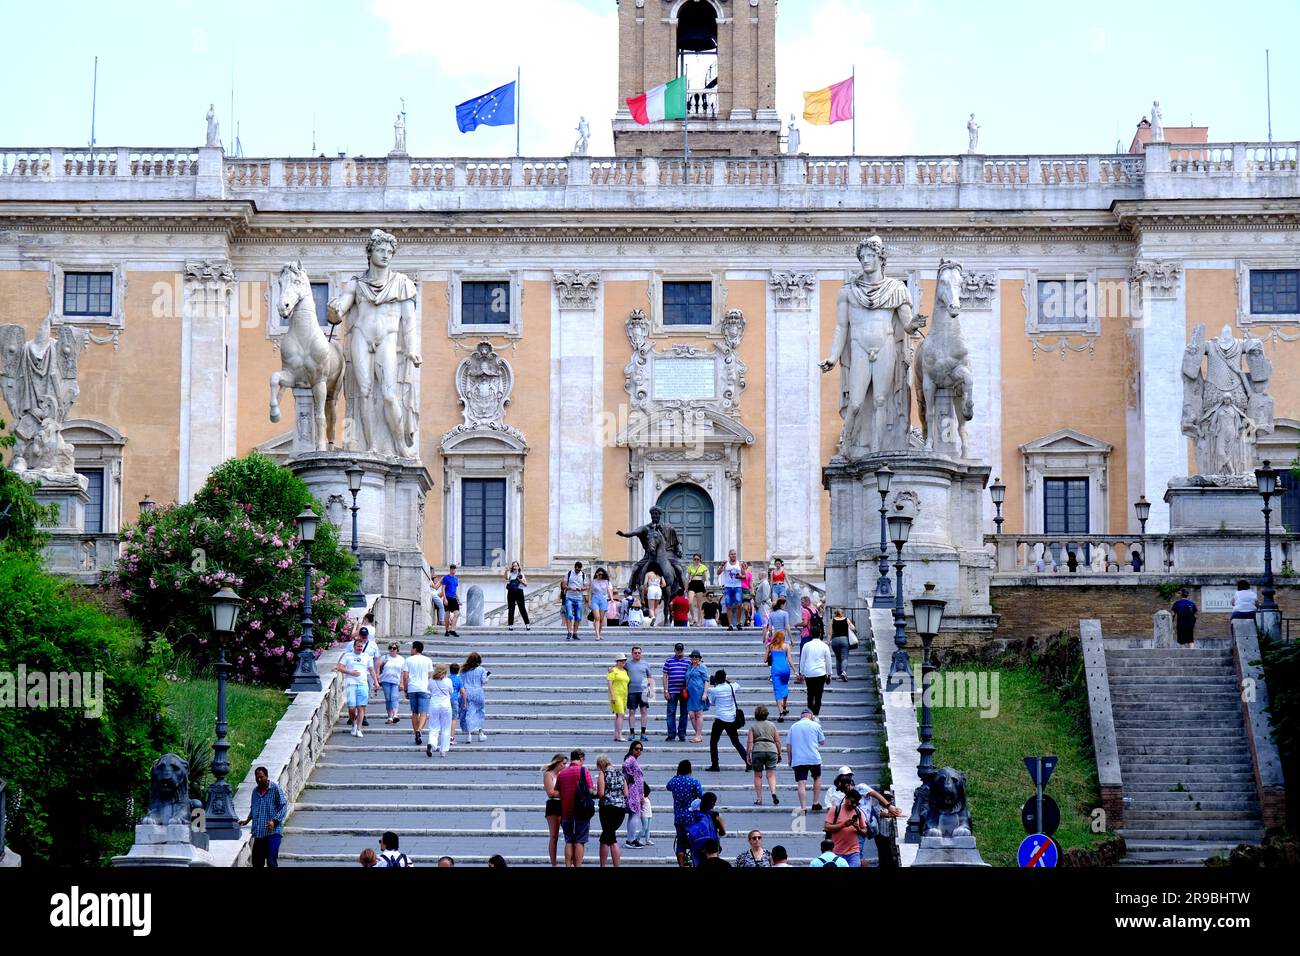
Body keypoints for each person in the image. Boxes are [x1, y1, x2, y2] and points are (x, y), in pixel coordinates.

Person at [240, 766, 287, 867]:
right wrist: (247, 820)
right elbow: (254, 809)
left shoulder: (275, 789)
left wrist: (274, 821)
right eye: (257, 777)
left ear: (267, 776)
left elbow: (283, 806)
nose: (259, 779)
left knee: (271, 861)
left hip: (273, 833)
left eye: (261, 777)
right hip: (259, 833)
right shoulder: (255, 792)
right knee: (257, 862)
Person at [556, 749, 596, 867]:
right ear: (581, 758)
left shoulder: (562, 773)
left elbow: (557, 790)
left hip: (566, 811)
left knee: (569, 840)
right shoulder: (584, 771)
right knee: (580, 840)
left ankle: (568, 865)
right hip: (581, 812)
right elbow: (590, 790)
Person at [705, 669, 749, 772]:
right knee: (736, 742)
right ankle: (748, 761)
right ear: (725, 678)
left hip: (720, 718)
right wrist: (728, 681)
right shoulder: (731, 686)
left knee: (714, 742)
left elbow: (712, 702)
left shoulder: (715, 690)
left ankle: (715, 765)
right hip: (731, 719)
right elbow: (738, 685)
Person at [666, 759, 704, 867]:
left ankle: (681, 864)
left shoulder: (674, 781)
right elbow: (701, 796)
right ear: (690, 769)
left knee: (681, 841)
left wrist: (676, 776)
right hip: (691, 816)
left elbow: (668, 786)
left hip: (678, 816)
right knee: (694, 840)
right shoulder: (694, 782)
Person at [787, 708, 826, 812]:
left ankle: (803, 807)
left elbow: (789, 745)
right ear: (811, 716)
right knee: (817, 778)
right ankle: (815, 803)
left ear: (801, 716)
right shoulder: (816, 725)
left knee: (801, 783)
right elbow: (822, 742)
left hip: (798, 759)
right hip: (814, 758)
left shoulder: (793, 727)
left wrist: (790, 759)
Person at [824, 787, 870, 867]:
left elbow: (865, 831)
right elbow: (827, 827)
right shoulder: (835, 810)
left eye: (856, 803)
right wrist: (843, 825)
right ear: (846, 798)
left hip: (854, 852)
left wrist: (858, 828)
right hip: (837, 852)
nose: (854, 805)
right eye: (852, 802)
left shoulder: (858, 812)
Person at [335, 635, 371, 738]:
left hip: (363, 683)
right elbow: (339, 667)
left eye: (361, 647)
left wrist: (376, 681)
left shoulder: (366, 657)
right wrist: (350, 672)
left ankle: (359, 729)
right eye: (358, 646)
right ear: (354, 647)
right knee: (351, 708)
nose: (360, 648)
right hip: (351, 684)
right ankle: (353, 723)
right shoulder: (347, 656)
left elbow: (371, 669)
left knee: (361, 708)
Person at [595, 754, 627, 867]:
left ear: (601, 765)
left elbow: (600, 793)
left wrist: (591, 794)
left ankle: (603, 865)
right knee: (610, 835)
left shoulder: (602, 774)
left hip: (607, 808)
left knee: (607, 838)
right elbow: (626, 793)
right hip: (620, 809)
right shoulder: (621, 773)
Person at [746, 704, 782, 805]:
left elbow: (750, 742)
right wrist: (779, 753)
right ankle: (773, 792)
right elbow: (778, 741)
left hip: (758, 750)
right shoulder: (772, 725)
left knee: (758, 775)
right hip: (771, 749)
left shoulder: (753, 726)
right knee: (771, 775)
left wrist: (747, 754)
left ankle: (759, 798)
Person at [400, 640, 433, 747]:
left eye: (411, 648)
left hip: (412, 688)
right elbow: (430, 675)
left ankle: (416, 733)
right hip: (424, 688)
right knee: (424, 712)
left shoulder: (408, 660)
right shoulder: (428, 660)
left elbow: (405, 676)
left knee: (414, 712)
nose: (410, 650)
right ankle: (419, 730)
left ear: (415, 648)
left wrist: (405, 688)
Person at [799, 626, 835, 716]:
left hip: (809, 673)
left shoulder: (806, 646)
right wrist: (829, 674)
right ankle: (816, 715)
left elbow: (802, 660)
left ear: (811, 634)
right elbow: (828, 661)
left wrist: (801, 673)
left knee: (810, 695)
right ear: (820, 634)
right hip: (820, 673)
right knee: (818, 696)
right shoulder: (824, 646)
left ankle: (810, 715)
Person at [686, 792, 727, 867]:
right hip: (711, 845)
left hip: (697, 845)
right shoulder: (715, 815)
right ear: (713, 803)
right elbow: (723, 832)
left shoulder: (695, 814)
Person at [542, 753, 568, 867]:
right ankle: (554, 863)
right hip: (553, 806)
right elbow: (551, 793)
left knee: (569, 834)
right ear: (557, 763)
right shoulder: (548, 774)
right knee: (554, 836)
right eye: (563, 763)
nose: (565, 766)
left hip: (564, 804)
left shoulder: (563, 774)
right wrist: (566, 792)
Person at [623, 645, 653, 741]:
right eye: (635, 653)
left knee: (644, 711)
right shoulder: (627, 664)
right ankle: (632, 733)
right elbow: (618, 668)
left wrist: (651, 689)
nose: (637, 654)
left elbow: (650, 677)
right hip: (631, 691)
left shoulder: (646, 664)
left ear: (641, 654)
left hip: (643, 691)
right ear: (632, 654)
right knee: (632, 712)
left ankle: (643, 733)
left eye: (639, 653)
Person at [662, 642, 690, 741]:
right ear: (674, 650)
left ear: (683, 650)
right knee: (671, 713)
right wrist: (666, 690)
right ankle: (671, 734)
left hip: (684, 690)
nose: (679, 652)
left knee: (684, 713)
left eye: (681, 650)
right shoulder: (669, 661)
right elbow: (665, 676)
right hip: (672, 690)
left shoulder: (688, 661)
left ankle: (682, 734)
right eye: (677, 650)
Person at [459, 651, 489, 741]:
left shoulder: (464, 670)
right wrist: (488, 677)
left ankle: (469, 734)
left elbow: (461, 682)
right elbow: (484, 681)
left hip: (467, 692)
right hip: (478, 692)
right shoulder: (482, 670)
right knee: (480, 712)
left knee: (468, 712)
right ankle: (480, 733)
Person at [622, 740, 647, 847]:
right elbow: (625, 766)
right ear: (632, 749)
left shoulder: (633, 760)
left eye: (640, 749)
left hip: (636, 791)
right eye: (636, 749)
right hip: (633, 791)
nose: (638, 751)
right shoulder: (631, 759)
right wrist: (630, 775)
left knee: (633, 815)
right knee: (635, 814)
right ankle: (631, 840)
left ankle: (630, 838)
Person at [427, 663, 455, 757]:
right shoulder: (448, 681)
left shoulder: (431, 680)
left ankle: (432, 743)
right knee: (446, 727)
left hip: (434, 704)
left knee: (433, 726)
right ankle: (443, 750)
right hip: (445, 705)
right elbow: (451, 691)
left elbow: (429, 690)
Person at [685, 649, 711, 743]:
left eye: (696, 657)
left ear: (699, 658)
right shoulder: (689, 667)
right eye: (693, 657)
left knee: (699, 714)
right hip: (690, 694)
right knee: (691, 714)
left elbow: (706, 681)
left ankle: (698, 735)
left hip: (699, 693)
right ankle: (698, 734)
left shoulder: (702, 667)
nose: (694, 658)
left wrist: (705, 693)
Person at [767, 630, 792, 720]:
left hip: (776, 670)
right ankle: (784, 706)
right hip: (785, 669)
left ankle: (781, 713)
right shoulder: (786, 646)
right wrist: (795, 670)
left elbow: (765, 659)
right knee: (785, 686)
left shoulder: (771, 646)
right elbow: (789, 659)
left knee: (777, 690)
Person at [378, 641, 405, 724]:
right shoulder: (384, 657)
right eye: (390, 648)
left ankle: (395, 715)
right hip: (385, 680)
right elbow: (378, 668)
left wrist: (402, 683)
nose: (392, 650)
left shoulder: (401, 659)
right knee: (388, 699)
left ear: (397, 649)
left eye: (394, 648)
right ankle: (389, 717)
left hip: (395, 681)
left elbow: (402, 672)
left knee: (394, 697)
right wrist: (383, 663)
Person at [562, 561, 589, 641]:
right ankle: (569, 632)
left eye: (579, 570)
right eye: (576, 569)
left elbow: (587, 586)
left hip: (579, 598)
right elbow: (563, 585)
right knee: (569, 615)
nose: (577, 571)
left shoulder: (583, 575)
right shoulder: (569, 573)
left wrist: (581, 588)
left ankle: (575, 633)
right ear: (575, 567)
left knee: (578, 617)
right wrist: (570, 588)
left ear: (581, 569)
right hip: (569, 597)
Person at [718, 549, 744, 630]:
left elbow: (744, 575)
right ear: (729, 555)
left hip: (737, 587)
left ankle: (739, 623)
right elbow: (718, 573)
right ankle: (730, 624)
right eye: (732, 554)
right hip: (728, 587)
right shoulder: (726, 564)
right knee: (728, 605)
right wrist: (722, 565)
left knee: (739, 604)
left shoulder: (739, 564)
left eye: (735, 554)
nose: (733, 555)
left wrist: (739, 575)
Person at [608, 652, 630, 741]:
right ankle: (619, 734)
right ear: (617, 661)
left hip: (624, 695)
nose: (622, 662)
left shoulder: (625, 671)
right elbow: (609, 684)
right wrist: (613, 696)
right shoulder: (613, 670)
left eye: (624, 661)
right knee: (621, 714)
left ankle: (616, 734)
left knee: (618, 715)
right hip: (616, 695)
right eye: (621, 661)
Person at [504, 560, 530, 630]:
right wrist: (507, 571)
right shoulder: (510, 573)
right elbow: (506, 578)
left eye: (516, 566)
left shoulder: (521, 574)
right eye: (513, 566)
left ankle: (527, 624)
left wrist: (520, 579)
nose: (514, 567)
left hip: (519, 591)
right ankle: (510, 625)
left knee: (522, 608)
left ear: (518, 567)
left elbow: (526, 584)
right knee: (511, 608)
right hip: (511, 592)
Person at [686, 552, 709, 625]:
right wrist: (686, 588)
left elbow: (706, 577)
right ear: (693, 559)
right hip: (692, 583)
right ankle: (692, 618)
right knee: (689, 602)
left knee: (699, 605)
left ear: (700, 560)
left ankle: (699, 621)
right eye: (695, 559)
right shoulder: (690, 567)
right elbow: (687, 578)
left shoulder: (703, 567)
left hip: (699, 583)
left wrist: (706, 583)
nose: (696, 560)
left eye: (698, 559)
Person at [591, 567, 613, 641]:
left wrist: (612, 598)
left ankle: (599, 634)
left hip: (603, 599)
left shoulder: (606, 581)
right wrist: (589, 601)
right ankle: (597, 635)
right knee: (597, 618)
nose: (600, 576)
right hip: (595, 599)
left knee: (601, 619)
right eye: (599, 574)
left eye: (602, 574)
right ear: (596, 574)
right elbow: (590, 591)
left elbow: (609, 590)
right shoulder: (593, 581)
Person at [829, 609, 852, 682]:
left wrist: (828, 642)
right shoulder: (846, 619)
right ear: (842, 613)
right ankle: (844, 672)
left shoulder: (832, 620)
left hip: (835, 640)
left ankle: (839, 675)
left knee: (838, 658)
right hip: (844, 640)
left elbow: (830, 633)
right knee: (844, 657)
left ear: (835, 614)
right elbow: (853, 628)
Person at [439, 564, 461, 637]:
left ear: (455, 570)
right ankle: (446, 631)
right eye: (452, 569)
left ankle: (453, 630)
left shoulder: (456, 579)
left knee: (457, 613)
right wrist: (444, 598)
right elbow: (443, 589)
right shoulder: (446, 577)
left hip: (454, 598)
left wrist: (458, 600)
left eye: (454, 569)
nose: (453, 570)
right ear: (450, 570)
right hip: (447, 598)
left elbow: (455, 590)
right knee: (447, 615)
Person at [449, 662, 464, 743]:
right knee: (453, 719)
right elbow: (463, 692)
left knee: (446, 719)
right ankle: (451, 737)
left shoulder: (447, 678)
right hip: (454, 700)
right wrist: (464, 702)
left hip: (446, 700)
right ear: (458, 671)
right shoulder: (459, 679)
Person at [637, 781, 655, 847]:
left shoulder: (646, 797)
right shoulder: (642, 797)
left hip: (649, 814)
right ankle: (637, 839)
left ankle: (647, 840)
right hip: (644, 814)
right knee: (644, 828)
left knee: (648, 828)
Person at [740, 561, 755, 626]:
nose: (744, 566)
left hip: (746, 591)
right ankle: (740, 621)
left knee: (746, 608)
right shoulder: (739, 573)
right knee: (739, 607)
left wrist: (752, 590)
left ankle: (747, 617)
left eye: (745, 565)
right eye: (743, 565)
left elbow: (751, 583)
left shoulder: (749, 574)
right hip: (739, 590)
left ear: (747, 566)